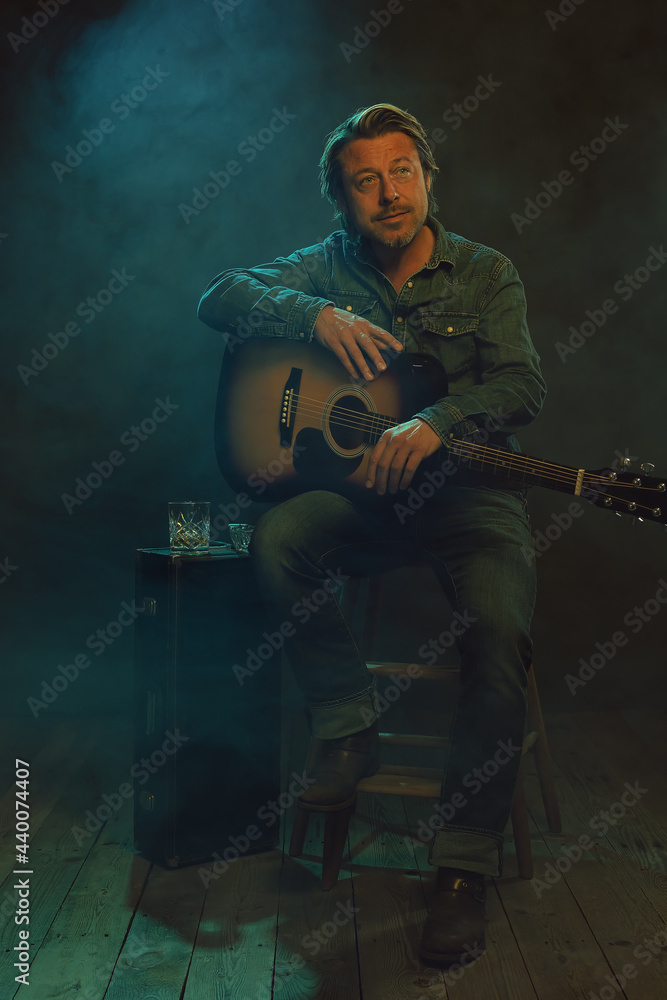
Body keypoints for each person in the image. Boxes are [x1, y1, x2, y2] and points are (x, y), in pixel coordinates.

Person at [198, 103, 546, 967]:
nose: (387, 193)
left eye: (401, 172)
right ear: (342, 198)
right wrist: (308, 317)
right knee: (275, 541)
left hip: (469, 498)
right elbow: (218, 295)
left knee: (500, 632)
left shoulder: (484, 271)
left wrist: (439, 422)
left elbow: (523, 385)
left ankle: (462, 869)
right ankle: (350, 723)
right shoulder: (322, 269)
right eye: (364, 180)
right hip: (363, 501)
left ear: (428, 178)